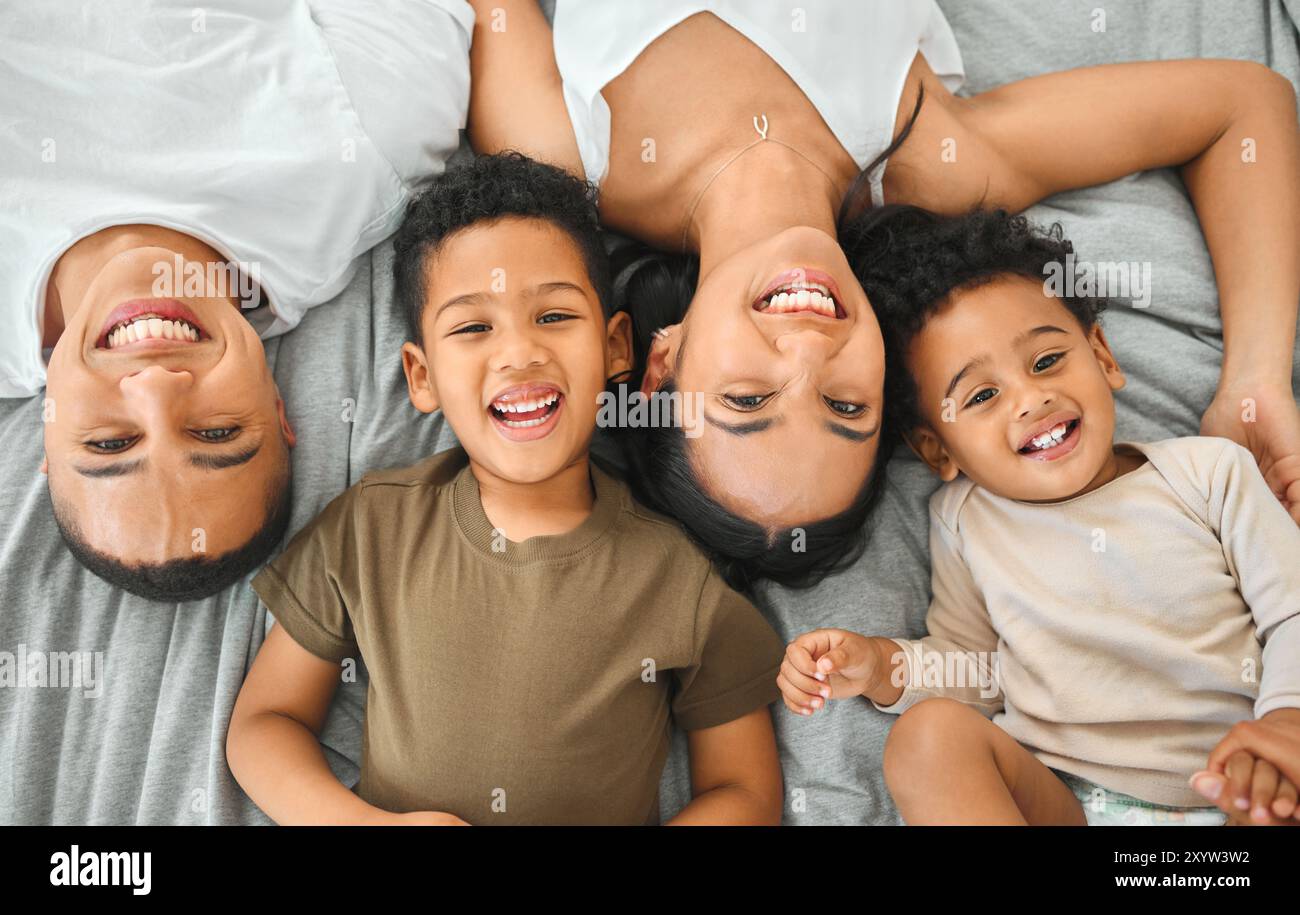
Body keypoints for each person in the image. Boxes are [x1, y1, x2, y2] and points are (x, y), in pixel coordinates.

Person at [465, 0, 1300, 588]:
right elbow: (1244, 108)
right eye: (845, 405)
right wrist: (1256, 384)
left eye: (748, 396)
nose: (806, 352)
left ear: (662, 362)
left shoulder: (560, 153)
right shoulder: (939, 160)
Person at [226, 153, 786, 825]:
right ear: (422, 375)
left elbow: (745, 791)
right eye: (472, 327)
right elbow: (263, 724)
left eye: (553, 316)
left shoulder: (678, 577)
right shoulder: (370, 529)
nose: (520, 352)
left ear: (615, 346)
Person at [779, 207, 1300, 825]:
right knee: (929, 738)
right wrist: (881, 667)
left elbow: (1292, 610)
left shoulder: (1211, 473)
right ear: (937, 450)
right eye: (981, 396)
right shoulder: (966, 523)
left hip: (1242, 789)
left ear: (1102, 355)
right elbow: (981, 676)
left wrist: (1286, 721)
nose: (1032, 399)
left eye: (1047, 360)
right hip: (1066, 805)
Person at [2, 0, 472, 600]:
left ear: (46, 442)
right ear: (279, 409)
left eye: (110, 443)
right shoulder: (365, 156)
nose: (154, 385)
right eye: (218, 432)